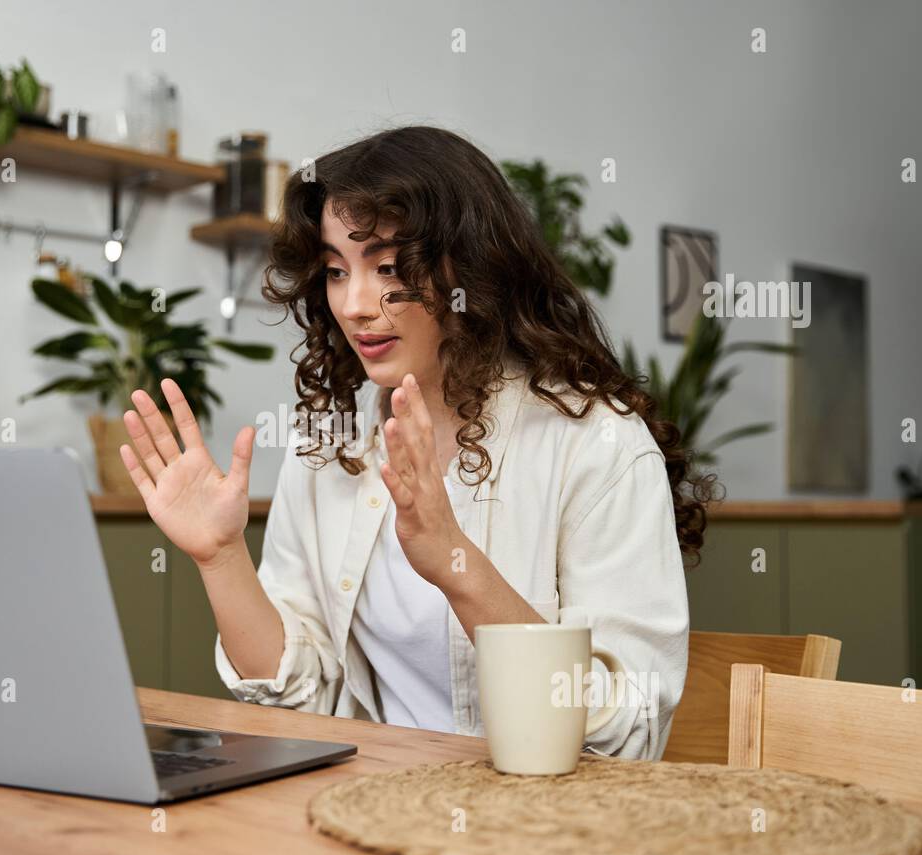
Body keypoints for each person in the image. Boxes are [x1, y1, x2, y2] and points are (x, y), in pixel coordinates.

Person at [118, 126, 713, 759]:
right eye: (335, 271)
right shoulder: (330, 444)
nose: (355, 304)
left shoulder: (597, 446)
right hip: (367, 808)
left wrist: (456, 564)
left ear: (472, 267)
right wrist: (221, 557)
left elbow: (629, 737)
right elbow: (302, 701)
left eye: (387, 268)